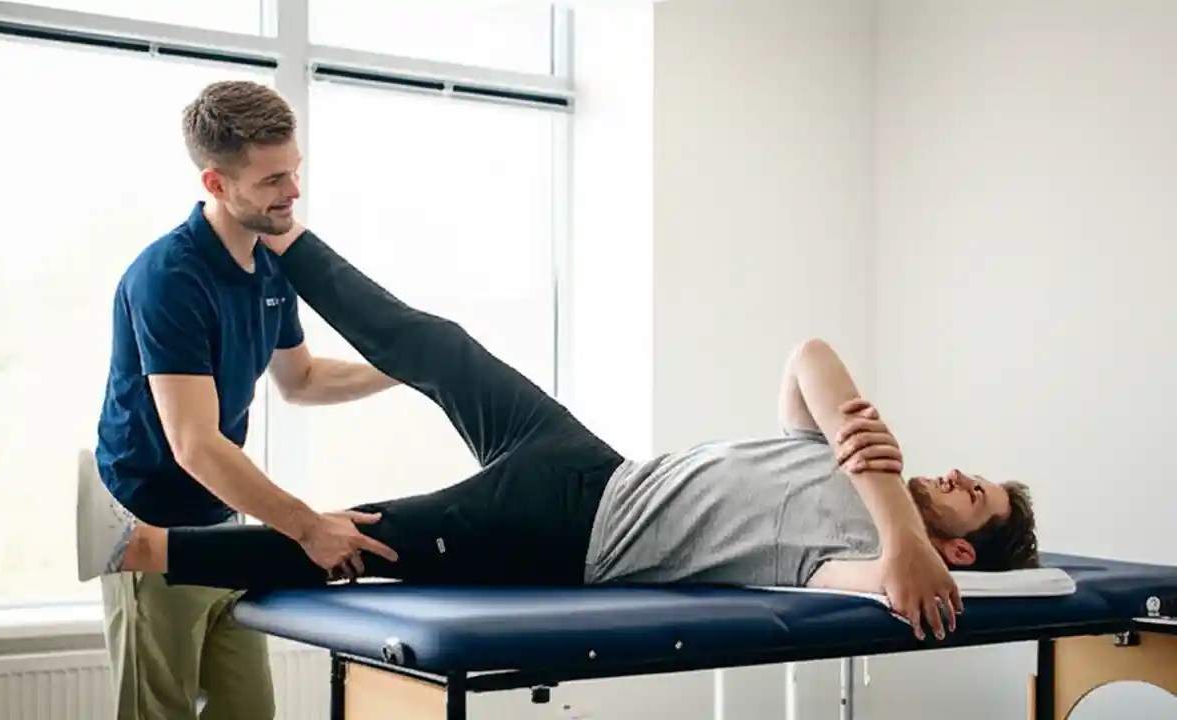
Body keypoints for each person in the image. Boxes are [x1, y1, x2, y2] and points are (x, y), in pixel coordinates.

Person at [79, 224, 1039, 650]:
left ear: (960, 550)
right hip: (589, 464)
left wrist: (903, 549)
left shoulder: (854, 555)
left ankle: (137, 546)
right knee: (440, 346)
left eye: (975, 494)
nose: (959, 474)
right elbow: (811, 355)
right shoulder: (858, 472)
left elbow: (884, 587)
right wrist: (899, 500)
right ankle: (288, 238)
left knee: (366, 534)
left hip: (576, 540)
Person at [84, 81, 401, 720]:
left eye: (295, 171)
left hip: (222, 519)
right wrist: (308, 527)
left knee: (249, 712)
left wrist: (402, 369)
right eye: (272, 180)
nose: (293, 192)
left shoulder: (271, 262)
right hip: (152, 530)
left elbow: (301, 380)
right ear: (216, 183)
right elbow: (195, 443)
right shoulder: (169, 278)